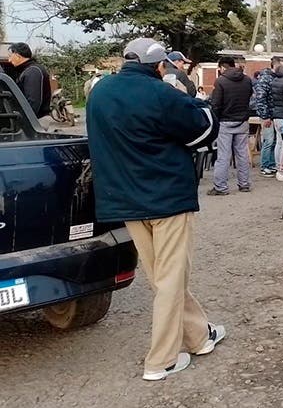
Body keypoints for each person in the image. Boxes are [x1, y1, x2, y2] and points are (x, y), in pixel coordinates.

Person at [86, 37, 224, 381]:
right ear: (160, 66)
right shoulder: (162, 94)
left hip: (125, 200)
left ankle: (199, 336)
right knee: (170, 279)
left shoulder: (99, 93)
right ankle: (160, 360)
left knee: (163, 278)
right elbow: (204, 130)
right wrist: (203, 107)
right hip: (166, 198)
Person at [208, 57, 254, 195]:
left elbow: (215, 104)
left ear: (222, 67)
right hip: (243, 121)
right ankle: (244, 184)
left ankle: (221, 187)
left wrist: (215, 120)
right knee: (242, 154)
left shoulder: (220, 81)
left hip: (225, 122)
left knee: (223, 155)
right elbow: (250, 97)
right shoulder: (247, 80)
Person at [7, 43, 51, 119]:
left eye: (10, 56)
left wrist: (26, 122)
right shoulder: (28, 70)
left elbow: (33, 102)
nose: (9, 60)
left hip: (36, 121)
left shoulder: (33, 71)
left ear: (17, 56)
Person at [253, 67, 278, 176]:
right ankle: (265, 165)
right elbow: (260, 100)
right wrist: (265, 116)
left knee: (272, 141)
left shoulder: (265, 79)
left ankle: (271, 164)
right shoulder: (265, 80)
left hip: (271, 115)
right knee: (269, 140)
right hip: (268, 115)